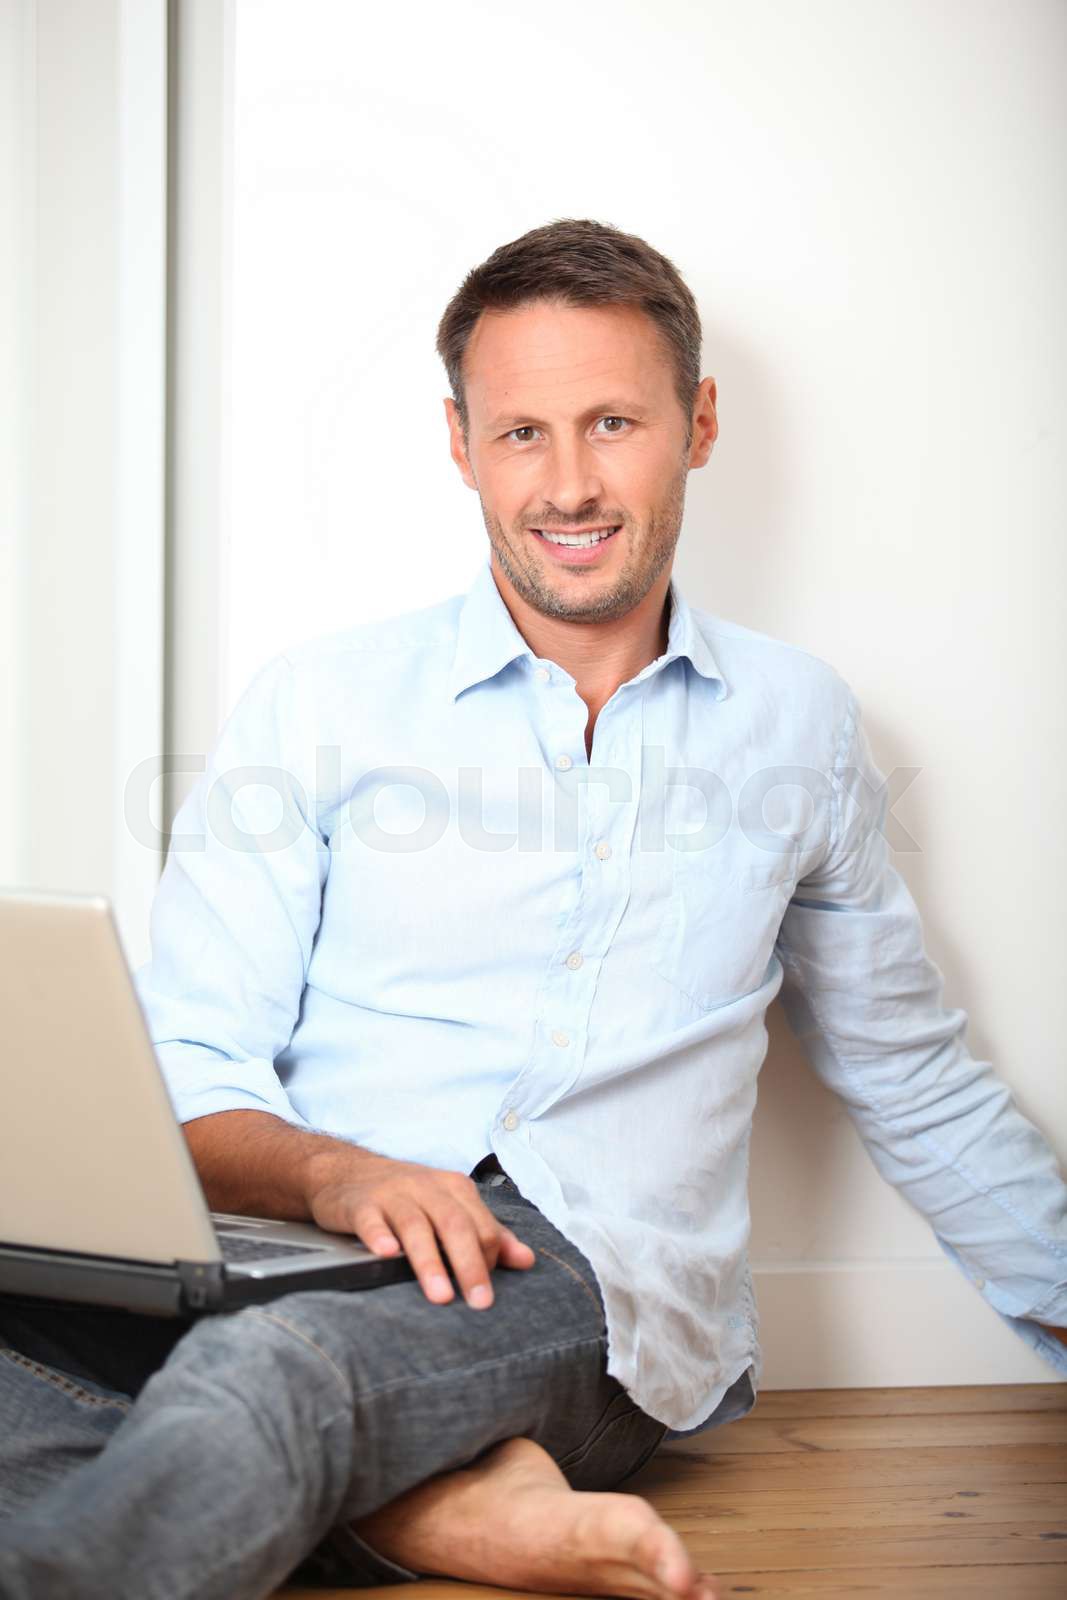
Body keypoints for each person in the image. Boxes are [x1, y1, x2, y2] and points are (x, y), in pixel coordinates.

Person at [2, 218, 1065, 1600]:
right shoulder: (318, 703)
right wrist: (342, 1174)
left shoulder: (800, 726)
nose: (568, 484)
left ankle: (368, 1475)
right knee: (162, 1343)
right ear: (460, 443)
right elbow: (191, 1069)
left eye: (614, 421)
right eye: (521, 434)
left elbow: (911, 1073)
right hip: (300, 1236)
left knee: (277, 1374)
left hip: (589, 1282)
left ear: (699, 420)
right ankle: (420, 1505)